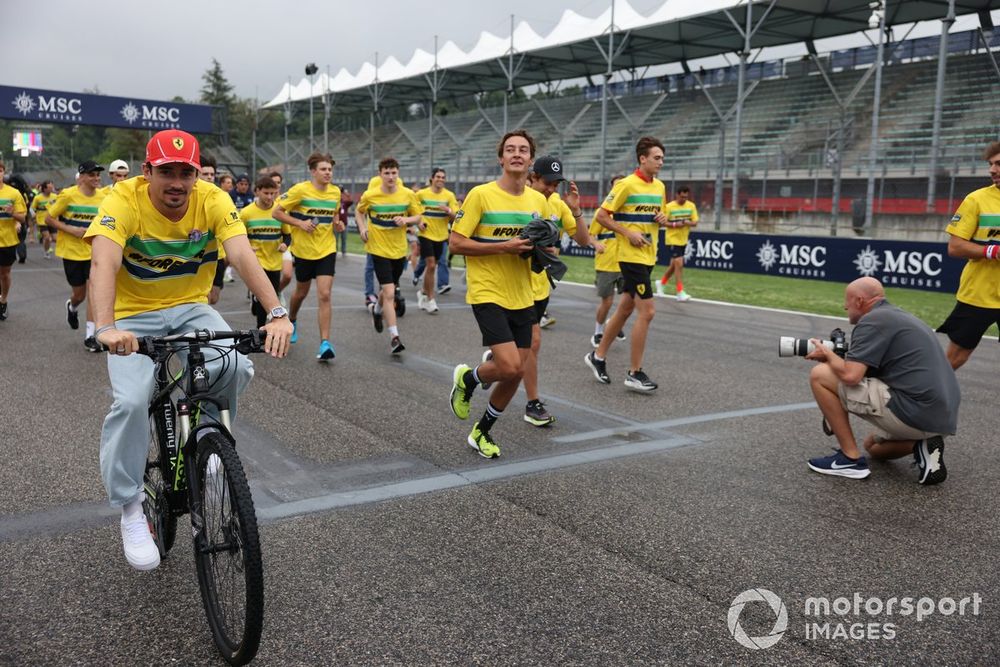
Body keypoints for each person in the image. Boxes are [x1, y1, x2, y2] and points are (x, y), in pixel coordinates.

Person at [86, 128, 292, 571]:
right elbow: (104, 261)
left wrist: (276, 312)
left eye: (186, 172)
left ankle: (208, 432)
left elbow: (240, 254)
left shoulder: (213, 200)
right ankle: (130, 507)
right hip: (131, 315)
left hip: (189, 307)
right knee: (131, 402)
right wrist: (105, 326)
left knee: (235, 365)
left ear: (197, 174)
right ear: (147, 171)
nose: (177, 182)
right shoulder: (122, 200)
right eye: (167, 172)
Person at [448, 129, 546, 458]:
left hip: (523, 293)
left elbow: (540, 243)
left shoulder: (538, 201)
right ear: (500, 158)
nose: (516, 154)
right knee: (508, 366)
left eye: (523, 150)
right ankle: (469, 377)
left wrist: (542, 250)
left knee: (516, 371)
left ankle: (482, 429)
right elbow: (456, 242)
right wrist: (504, 246)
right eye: (510, 149)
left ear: (531, 159)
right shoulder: (481, 195)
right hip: (487, 290)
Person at [805, 277, 959, 484]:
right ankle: (923, 445)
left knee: (820, 374)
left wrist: (828, 356)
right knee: (874, 448)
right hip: (941, 418)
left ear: (859, 300)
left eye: (847, 302)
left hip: (915, 410)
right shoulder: (900, 317)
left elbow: (851, 376)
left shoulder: (872, 320)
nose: (844, 306)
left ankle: (849, 460)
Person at [584, 137, 670, 392]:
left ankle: (597, 356)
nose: (661, 162)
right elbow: (601, 215)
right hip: (630, 258)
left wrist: (663, 218)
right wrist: (627, 233)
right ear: (642, 159)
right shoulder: (625, 185)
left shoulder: (660, 187)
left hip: (649, 256)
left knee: (624, 310)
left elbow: (658, 218)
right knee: (648, 312)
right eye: (657, 158)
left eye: (662, 158)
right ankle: (634, 372)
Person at [518, 156, 593, 426]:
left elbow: (584, 240)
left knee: (522, 351)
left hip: (540, 287)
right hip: (513, 283)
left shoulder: (558, 204)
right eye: (547, 182)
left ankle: (496, 361)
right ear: (532, 177)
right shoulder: (519, 198)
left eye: (556, 183)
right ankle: (532, 403)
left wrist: (575, 210)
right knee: (533, 342)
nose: (551, 188)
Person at [272, 151, 342, 361]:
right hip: (303, 251)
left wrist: (338, 224)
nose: (328, 173)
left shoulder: (335, 192)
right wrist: (299, 223)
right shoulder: (300, 190)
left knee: (325, 294)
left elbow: (335, 217)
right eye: (323, 169)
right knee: (301, 292)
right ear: (313, 171)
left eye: (330, 169)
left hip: (327, 249)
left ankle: (325, 343)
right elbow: (277, 212)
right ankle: (292, 318)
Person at [937, 140, 1000, 370]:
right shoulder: (976, 200)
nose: (992, 170)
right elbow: (955, 247)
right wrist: (992, 250)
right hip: (978, 293)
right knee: (954, 359)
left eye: (999, 164)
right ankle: (924, 400)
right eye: (991, 164)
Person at [355, 157, 423, 355]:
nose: (391, 176)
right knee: (390, 292)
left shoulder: (408, 195)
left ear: (398, 173)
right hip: (378, 249)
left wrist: (406, 219)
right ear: (380, 174)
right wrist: (362, 228)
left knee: (388, 290)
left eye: (394, 173)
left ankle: (377, 310)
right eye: (387, 173)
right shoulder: (371, 195)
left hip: (399, 251)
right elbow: (359, 212)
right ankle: (395, 337)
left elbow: (418, 216)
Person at [46, 160, 108, 351]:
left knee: (93, 292)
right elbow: (49, 218)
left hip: (94, 252)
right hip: (71, 252)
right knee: (79, 294)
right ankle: (72, 307)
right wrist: (70, 229)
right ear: (81, 177)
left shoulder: (104, 196)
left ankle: (91, 335)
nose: (96, 178)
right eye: (92, 175)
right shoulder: (68, 195)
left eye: (98, 175)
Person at [240, 177, 287, 327]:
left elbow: (288, 234)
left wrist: (285, 244)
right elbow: (239, 236)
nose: (270, 197)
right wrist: (247, 246)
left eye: (273, 193)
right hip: (257, 260)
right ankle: (261, 329)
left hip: (274, 261)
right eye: (266, 193)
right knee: (264, 296)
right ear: (257, 191)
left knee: (273, 294)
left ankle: (256, 302)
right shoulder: (247, 213)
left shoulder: (279, 211)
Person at [414, 167, 459, 314]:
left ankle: (423, 292)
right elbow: (412, 210)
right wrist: (418, 222)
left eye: (443, 177)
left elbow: (457, 216)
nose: (440, 179)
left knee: (432, 267)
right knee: (431, 265)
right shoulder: (421, 194)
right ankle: (431, 299)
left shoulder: (449, 196)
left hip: (441, 236)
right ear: (432, 179)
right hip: (425, 234)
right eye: (438, 177)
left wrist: (448, 211)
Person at [589, 174, 626, 348]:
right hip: (607, 263)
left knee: (630, 299)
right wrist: (596, 244)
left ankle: (613, 322)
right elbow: (589, 235)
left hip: (627, 261)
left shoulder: (628, 211)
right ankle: (598, 331)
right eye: (616, 186)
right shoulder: (602, 212)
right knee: (608, 301)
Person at [656, 185, 698, 301]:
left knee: (674, 265)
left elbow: (695, 222)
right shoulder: (669, 207)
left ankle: (661, 282)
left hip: (683, 239)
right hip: (672, 239)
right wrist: (675, 224)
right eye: (682, 197)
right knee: (679, 263)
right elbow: (663, 222)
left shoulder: (691, 206)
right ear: (677, 195)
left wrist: (685, 222)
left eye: (686, 197)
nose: (684, 199)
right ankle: (680, 292)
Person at [0, 162, 28, 320]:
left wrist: (12, 214)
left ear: (3, 173)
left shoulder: (14, 193)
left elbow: (22, 217)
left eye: (0, 171)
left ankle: (3, 300)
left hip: (7, 241)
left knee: (4, 274)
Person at [29, 180, 57, 259]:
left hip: (52, 220)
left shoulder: (55, 196)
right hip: (42, 221)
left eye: (52, 187)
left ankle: (48, 247)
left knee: (55, 239)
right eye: (49, 187)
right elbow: (31, 208)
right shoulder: (38, 198)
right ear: (44, 189)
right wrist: (33, 214)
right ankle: (46, 252)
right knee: (47, 237)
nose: (51, 189)